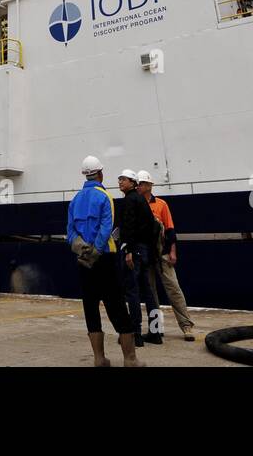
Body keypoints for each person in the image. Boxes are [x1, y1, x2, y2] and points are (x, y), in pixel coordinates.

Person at [67, 156, 141, 367]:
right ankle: (130, 359)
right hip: (104, 259)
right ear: (100, 174)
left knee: (90, 306)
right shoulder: (105, 196)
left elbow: (70, 233)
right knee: (116, 304)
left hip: (82, 261)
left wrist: (84, 250)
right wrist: (96, 251)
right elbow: (106, 228)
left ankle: (99, 358)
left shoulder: (75, 200)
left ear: (84, 174)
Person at [137, 171, 195, 341]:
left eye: (142, 183)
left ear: (149, 186)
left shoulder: (161, 205)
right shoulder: (137, 205)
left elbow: (170, 230)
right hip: (147, 257)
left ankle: (186, 327)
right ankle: (157, 329)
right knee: (151, 295)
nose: (139, 186)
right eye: (138, 183)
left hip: (162, 255)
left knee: (174, 290)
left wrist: (172, 251)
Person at [116, 168, 161, 346]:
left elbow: (128, 227)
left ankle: (136, 333)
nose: (120, 182)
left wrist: (128, 251)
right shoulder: (142, 200)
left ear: (133, 183)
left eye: (123, 179)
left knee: (132, 292)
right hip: (144, 251)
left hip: (133, 251)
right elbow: (152, 227)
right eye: (119, 179)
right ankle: (156, 333)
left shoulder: (129, 200)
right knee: (148, 292)